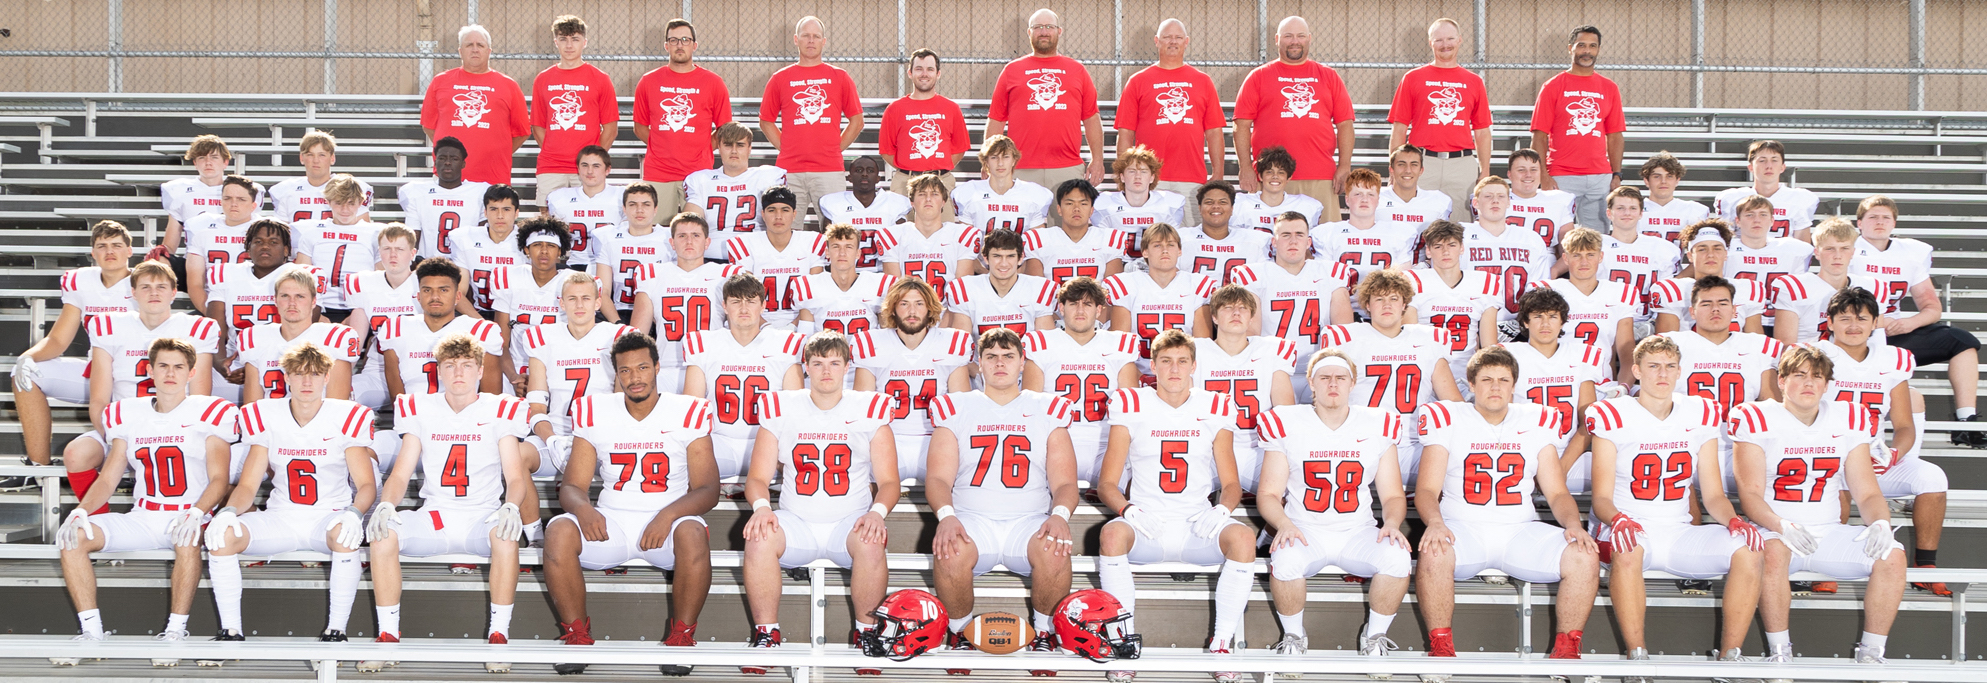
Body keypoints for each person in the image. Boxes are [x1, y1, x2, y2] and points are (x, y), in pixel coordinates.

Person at [1414, 347, 1600, 678]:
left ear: (1514, 384)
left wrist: (1574, 525)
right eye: (1486, 380)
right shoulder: (1450, 417)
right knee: (1434, 549)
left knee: (1583, 554)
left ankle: (1567, 649)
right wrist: (1436, 523)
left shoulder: (1535, 419)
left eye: (1503, 380)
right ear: (1471, 384)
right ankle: (1440, 649)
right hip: (1464, 529)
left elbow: (1556, 491)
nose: (1495, 387)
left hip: (1519, 531)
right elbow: (1427, 490)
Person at [51, 338, 236, 666]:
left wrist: (197, 512)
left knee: (187, 539)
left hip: (189, 514)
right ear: (149, 370)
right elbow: (108, 478)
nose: (170, 373)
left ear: (192, 372)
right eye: (163, 365)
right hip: (143, 514)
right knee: (73, 537)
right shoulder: (127, 413)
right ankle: (92, 634)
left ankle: (175, 632)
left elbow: (220, 479)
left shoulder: (211, 411)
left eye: (179, 367)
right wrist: (82, 510)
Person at [1586, 335, 1763, 673]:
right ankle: (1636, 656)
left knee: (1748, 547)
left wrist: (1733, 521)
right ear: (1636, 371)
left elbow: (1712, 495)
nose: (1662, 374)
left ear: (1680, 371)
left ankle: (1731, 659)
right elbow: (1601, 498)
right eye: (1653, 366)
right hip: (1628, 525)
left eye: (1669, 366)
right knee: (1627, 545)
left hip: (1679, 529)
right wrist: (1619, 520)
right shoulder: (1611, 414)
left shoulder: (1700, 411)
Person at [545, 332, 717, 677]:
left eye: (641, 367)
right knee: (559, 529)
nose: (634, 377)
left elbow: (708, 489)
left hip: (669, 522)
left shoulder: (688, 410)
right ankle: (578, 635)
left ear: (656, 368)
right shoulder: (594, 410)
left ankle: (681, 638)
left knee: (693, 533)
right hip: (613, 522)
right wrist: (584, 509)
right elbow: (573, 486)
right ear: (616, 376)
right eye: (625, 371)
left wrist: (667, 515)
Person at [1730, 346, 1907, 673]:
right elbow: (1750, 495)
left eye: (1817, 376)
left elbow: (1866, 492)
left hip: (1828, 530)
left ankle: (1871, 653)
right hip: (1777, 527)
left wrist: (1882, 522)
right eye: (1799, 375)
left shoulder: (1848, 417)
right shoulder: (1756, 417)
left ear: (1827, 384)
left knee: (1893, 556)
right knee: (1770, 553)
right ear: (1781, 381)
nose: (1808, 383)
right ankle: (1780, 652)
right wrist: (1782, 525)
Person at [364, 334, 533, 673]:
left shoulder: (500, 409)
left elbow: (515, 476)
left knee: (505, 535)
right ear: (438, 370)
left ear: (481, 370)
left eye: (467, 365)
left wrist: (511, 506)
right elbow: (400, 474)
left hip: (481, 518)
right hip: (435, 518)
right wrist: (387, 504)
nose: (459, 373)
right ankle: (388, 635)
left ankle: (498, 636)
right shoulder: (421, 408)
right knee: (383, 535)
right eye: (450, 365)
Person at [1094, 329, 1254, 683]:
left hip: (1196, 523)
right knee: (1110, 534)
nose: (1174, 369)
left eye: (1182, 361)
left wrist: (1222, 511)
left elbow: (1231, 484)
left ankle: (1221, 646)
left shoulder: (1214, 405)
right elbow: (1107, 483)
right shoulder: (1131, 404)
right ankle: (1124, 644)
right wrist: (1128, 510)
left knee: (1243, 538)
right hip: (1146, 523)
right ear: (1152, 366)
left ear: (1194, 366)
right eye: (1165, 361)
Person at [739, 332, 899, 676]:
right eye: (818, 363)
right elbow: (757, 478)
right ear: (805, 368)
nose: (826, 371)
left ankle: (867, 632)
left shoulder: (869, 408)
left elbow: (889, 482)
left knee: (872, 539)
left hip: (849, 522)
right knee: (759, 536)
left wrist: (876, 512)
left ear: (847, 367)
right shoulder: (782, 407)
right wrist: (763, 508)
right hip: (798, 521)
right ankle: (767, 634)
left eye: (834, 363)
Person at [926, 328, 1080, 670]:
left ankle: (1044, 633)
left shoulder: (1047, 407)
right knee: (949, 548)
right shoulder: (956, 406)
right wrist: (947, 516)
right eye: (991, 356)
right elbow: (937, 477)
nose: (1000, 363)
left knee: (1055, 545)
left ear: (1022, 362)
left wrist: (1060, 516)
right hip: (972, 519)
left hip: (1027, 521)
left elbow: (1066, 481)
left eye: (1008, 356)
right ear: (978, 363)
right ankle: (958, 634)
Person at [204, 344, 373, 646]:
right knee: (222, 536)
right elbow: (247, 487)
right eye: (299, 375)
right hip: (281, 518)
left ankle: (336, 631)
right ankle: (230, 631)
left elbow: (366, 485)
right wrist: (228, 512)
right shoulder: (267, 415)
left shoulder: (346, 416)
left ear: (327, 377)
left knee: (347, 537)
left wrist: (354, 513)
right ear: (286, 378)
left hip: (328, 517)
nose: (307, 383)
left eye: (315, 375)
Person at [1257, 349, 1413, 666]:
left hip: (1357, 530)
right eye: (1324, 377)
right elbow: (1269, 493)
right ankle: (1294, 637)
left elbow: (1394, 495)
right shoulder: (1288, 422)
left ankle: (1374, 637)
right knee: (1284, 560)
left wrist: (1393, 524)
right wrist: (1285, 525)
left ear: (1352, 383)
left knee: (1397, 558)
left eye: (1340, 377)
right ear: (1311, 383)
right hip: (1306, 529)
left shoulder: (1376, 424)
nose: (1333, 384)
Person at [1812, 287, 1951, 597]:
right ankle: (1828, 564)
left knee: (1932, 477)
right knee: (1839, 479)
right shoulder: (1815, 356)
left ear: (1875, 322)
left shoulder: (1892, 360)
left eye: (1862, 318)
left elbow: (1904, 425)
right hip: (1824, 454)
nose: (1853, 325)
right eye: (1844, 318)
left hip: (1873, 456)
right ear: (1829, 322)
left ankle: (1926, 566)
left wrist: (1894, 453)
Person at [66, 261, 220, 512]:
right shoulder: (108, 326)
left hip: (178, 426)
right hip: (124, 428)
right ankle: (95, 521)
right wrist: (117, 439)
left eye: (161, 286)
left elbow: (200, 398)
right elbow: (98, 401)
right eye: (145, 287)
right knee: (76, 453)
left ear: (174, 292)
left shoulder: (197, 328)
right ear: (132, 292)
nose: (154, 292)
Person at [1850, 195, 1986, 446]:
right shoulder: (1846, 249)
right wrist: (1871, 322)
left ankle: (1966, 421)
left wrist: (1910, 323)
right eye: (1873, 217)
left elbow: (1932, 307)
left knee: (1961, 340)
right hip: (1855, 333)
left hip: (1896, 331)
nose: (1879, 222)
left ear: (1894, 224)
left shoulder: (1910, 253)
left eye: (1885, 218)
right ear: (1859, 223)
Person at [13, 221, 134, 474]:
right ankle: (38, 468)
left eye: (116, 245)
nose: (109, 251)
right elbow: (58, 340)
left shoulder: (144, 281)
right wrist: (27, 358)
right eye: (102, 246)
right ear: (93, 252)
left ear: (130, 251)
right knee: (24, 374)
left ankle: (133, 467)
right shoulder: (80, 281)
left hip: (137, 374)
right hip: (98, 373)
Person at [1326, 268, 1463, 479]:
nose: (1387, 304)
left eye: (1393, 298)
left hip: (1416, 444)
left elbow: (1453, 403)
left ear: (1404, 304)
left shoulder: (1429, 340)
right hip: (1361, 442)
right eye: (1379, 299)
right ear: (1367, 305)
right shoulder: (1345, 339)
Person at [682, 274, 807, 479]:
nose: (743, 308)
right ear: (724, 305)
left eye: (750, 301)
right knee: (678, 465)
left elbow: (794, 411)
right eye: (735, 301)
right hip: (719, 444)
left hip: (768, 446)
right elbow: (691, 409)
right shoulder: (704, 343)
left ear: (763, 305)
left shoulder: (786, 344)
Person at [1235, 15, 1354, 223]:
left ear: (1309, 38)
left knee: (1322, 241)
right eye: (1288, 36)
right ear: (1277, 39)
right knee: (1274, 240)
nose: (1294, 41)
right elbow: (1241, 125)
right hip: (1273, 175)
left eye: (1300, 36)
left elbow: (1345, 124)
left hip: (1320, 175)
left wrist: (1344, 166)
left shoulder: (1329, 76)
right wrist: (1245, 166)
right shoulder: (1258, 76)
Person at [852, 278, 975, 481]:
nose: (912, 311)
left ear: (930, 309)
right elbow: (862, 410)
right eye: (904, 304)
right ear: (892, 309)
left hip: (936, 442)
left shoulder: (952, 342)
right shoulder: (872, 343)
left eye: (919, 304)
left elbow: (961, 409)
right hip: (889, 442)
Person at [1023, 277, 1142, 484]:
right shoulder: (1041, 343)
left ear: (1098, 310)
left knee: (1128, 487)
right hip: (1056, 444)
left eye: (1087, 304)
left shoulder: (1119, 345)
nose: (1080, 310)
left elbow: (1130, 409)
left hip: (1105, 447)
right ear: (1061, 308)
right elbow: (1030, 407)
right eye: (1073, 304)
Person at [523, 271, 639, 477]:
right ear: (561, 303)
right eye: (572, 299)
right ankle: (514, 510)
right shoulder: (543, 337)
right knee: (517, 456)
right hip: (557, 435)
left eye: (585, 298)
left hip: (603, 437)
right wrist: (552, 440)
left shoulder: (617, 337)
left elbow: (624, 403)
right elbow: (536, 405)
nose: (579, 305)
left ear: (597, 303)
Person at [1232, 213, 1355, 402]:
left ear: (1308, 242)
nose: (1293, 241)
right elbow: (1251, 333)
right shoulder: (1254, 275)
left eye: (1299, 234)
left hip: (1319, 369)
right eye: (1286, 235)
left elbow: (1343, 333)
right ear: (1274, 241)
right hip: (1273, 369)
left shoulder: (1331, 273)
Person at [1116, 19, 1225, 227]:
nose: (1172, 41)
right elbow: (1125, 134)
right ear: (1157, 41)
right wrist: (1126, 175)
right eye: (1167, 37)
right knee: (1151, 238)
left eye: (1177, 37)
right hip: (1149, 178)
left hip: (1192, 179)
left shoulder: (1203, 81)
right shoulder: (1138, 81)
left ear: (1186, 42)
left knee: (1190, 238)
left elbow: (1214, 132)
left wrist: (1218, 173)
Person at [988, 8, 1104, 199]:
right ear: (1029, 32)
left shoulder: (1077, 70)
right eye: (1038, 27)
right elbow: (996, 120)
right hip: (1021, 168)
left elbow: (1091, 118)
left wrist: (1097, 159)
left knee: (1065, 227)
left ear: (1059, 31)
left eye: (1049, 27)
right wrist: (988, 161)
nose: (1043, 31)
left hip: (1066, 168)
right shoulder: (1012, 70)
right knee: (1021, 228)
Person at [760, 16, 863, 226]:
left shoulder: (839, 77)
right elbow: (766, 121)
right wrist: (786, 147)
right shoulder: (780, 78)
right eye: (806, 36)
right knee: (786, 230)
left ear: (823, 41)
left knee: (835, 230)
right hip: (790, 170)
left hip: (829, 170)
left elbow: (857, 120)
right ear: (796, 40)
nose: (811, 40)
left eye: (816, 36)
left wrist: (835, 148)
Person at [1503, 288, 1606, 493]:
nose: (1545, 324)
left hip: (1567, 454)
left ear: (1562, 321)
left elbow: (1589, 421)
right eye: (1537, 316)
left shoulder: (1581, 354)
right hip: (1521, 453)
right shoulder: (1507, 355)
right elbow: (1501, 418)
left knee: (1617, 469)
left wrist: (1562, 466)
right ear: (1525, 321)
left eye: (1552, 316)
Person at [1195, 286, 1297, 492]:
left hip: (1257, 448)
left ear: (1251, 317)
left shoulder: (1270, 350)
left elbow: (1285, 412)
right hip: (1209, 452)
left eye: (1242, 308)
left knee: (1296, 484)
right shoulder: (1195, 351)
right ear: (1214, 317)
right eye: (1228, 307)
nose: (1236, 313)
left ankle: (1272, 526)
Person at [631, 213, 745, 392]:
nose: (689, 241)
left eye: (696, 235)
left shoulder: (726, 275)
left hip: (711, 365)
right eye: (682, 236)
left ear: (707, 242)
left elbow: (739, 326)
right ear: (672, 242)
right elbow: (638, 334)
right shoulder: (653, 274)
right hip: (666, 366)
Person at [1389, 18, 1494, 211]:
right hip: (1422, 163)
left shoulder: (1474, 82)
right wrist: (1395, 167)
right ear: (1430, 43)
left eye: (1450, 39)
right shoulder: (1412, 78)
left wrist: (1484, 170)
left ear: (1460, 40)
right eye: (1439, 40)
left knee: (1459, 226)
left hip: (1461, 165)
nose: (1445, 45)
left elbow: (1482, 132)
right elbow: (1399, 128)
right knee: (1418, 219)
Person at [632, 18, 731, 218]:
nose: (679, 45)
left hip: (698, 173)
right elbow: (640, 126)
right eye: (674, 40)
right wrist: (662, 145)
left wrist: (701, 148)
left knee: (697, 232)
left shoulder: (713, 82)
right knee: (655, 232)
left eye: (685, 40)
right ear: (666, 45)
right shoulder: (648, 81)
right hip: (658, 173)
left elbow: (724, 128)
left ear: (694, 45)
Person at [1529, 26, 1625, 230]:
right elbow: (1539, 136)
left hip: (1600, 177)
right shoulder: (1553, 86)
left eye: (1593, 46)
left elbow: (1615, 135)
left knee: (1597, 237)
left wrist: (1616, 174)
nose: (1587, 51)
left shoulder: (1609, 88)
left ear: (1598, 50)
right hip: (1562, 176)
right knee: (1558, 236)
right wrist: (1543, 175)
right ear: (1571, 48)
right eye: (1581, 45)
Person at [378, 258, 504, 399]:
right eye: (427, 290)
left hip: (466, 416)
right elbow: (398, 401)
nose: (435, 297)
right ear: (418, 296)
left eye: (443, 290)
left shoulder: (481, 331)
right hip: (416, 416)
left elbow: (491, 399)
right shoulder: (396, 329)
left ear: (457, 297)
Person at [1405, 220, 1504, 400]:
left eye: (1451, 245)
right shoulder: (1412, 281)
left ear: (1461, 248)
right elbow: (1411, 340)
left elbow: (1489, 345)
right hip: (1427, 371)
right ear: (1428, 251)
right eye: (1438, 246)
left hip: (1467, 372)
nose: (1445, 251)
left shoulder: (1484, 283)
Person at [1104, 223, 1218, 377]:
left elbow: (1200, 347)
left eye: (1170, 245)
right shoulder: (1126, 285)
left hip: (1183, 376)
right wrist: (1139, 380)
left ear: (1179, 251)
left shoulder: (1196, 286)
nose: (1165, 250)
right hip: (1138, 375)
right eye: (1157, 245)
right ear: (1144, 251)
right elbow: (1120, 348)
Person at [420, 25, 529, 185]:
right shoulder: (440, 82)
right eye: (469, 45)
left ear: (489, 51)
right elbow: (429, 126)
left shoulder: (508, 85)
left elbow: (522, 132)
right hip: (449, 177)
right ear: (460, 51)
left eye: (480, 45)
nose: (475, 49)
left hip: (493, 178)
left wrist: (497, 153)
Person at [233, 268, 358, 404]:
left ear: (313, 301)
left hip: (321, 420)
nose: (292, 303)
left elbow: (336, 406)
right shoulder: (256, 337)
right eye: (285, 296)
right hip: (270, 420)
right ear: (275, 300)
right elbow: (252, 407)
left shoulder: (334, 338)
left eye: (300, 296)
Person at [530, 15, 618, 197]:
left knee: (589, 218)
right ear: (556, 42)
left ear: (584, 42)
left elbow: (610, 128)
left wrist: (592, 160)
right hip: (551, 166)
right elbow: (538, 126)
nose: (569, 45)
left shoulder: (600, 79)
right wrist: (554, 150)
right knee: (549, 220)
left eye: (575, 39)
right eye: (563, 39)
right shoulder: (543, 79)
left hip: (586, 169)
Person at [489, 217, 576, 388]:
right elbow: (502, 342)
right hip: (515, 367)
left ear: (560, 251)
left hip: (558, 368)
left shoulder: (572, 282)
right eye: (537, 245)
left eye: (551, 246)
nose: (544, 251)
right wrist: (514, 378)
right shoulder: (510, 278)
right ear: (526, 249)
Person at [345, 224, 423, 409]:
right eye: (387, 249)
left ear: (412, 253)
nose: (393, 255)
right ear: (379, 252)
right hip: (377, 373)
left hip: (418, 371)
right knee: (340, 392)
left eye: (399, 249)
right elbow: (356, 340)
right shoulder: (363, 283)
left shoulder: (425, 283)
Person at [879, 48, 967, 214]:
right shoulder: (895, 109)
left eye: (930, 69)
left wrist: (937, 168)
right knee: (903, 236)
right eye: (919, 69)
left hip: (941, 182)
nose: (924, 74)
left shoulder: (951, 108)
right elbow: (887, 150)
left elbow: (959, 148)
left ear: (938, 73)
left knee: (943, 236)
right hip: (905, 183)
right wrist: (910, 168)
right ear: (910, 73)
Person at [726, 186, 826, 329]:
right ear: (763, 214)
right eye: (772, 210)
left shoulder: (812, 242)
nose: (778, 216)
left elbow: (815, 297)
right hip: (756, 322)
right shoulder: (746, 244)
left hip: (803, 321)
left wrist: (793, 327)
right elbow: (745, 299)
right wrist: (765, 327)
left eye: (785, 210)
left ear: (794, 214)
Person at [1772, 217, 1882, 345]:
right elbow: (1786, 348)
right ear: (1817, 252)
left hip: (1852, 362)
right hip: (1807, 361)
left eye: (1844, 248)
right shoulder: (1794, 288)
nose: (1837, 255)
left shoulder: (1872, 287)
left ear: (1853, 252)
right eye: (1830, 249)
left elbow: (1876, 344)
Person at [1313, 168, 1416, 304]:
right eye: (1358, 194)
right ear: (1348, 200)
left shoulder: (1396, 233)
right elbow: (1322, 282)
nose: (1365, 199)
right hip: (1341, 306)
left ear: (1378, 201)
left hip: (1382, 307)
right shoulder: (1328, 233)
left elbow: (1404, 282)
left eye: (1370, 194)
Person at [687, 122, 789, 256]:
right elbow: (690, 224)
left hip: (755, 254)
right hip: (711, 255)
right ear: (719, 147)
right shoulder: (701, 179)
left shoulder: (768, 176)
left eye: (740, 145)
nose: (734, 151)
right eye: (728, 145)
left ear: (749, 148)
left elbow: (780, 219)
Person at [290, 174, 383, 323]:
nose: (345, 209)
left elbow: (382, 279)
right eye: (339, 203)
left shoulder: (375, 234)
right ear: (328, 202)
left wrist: (358, 316)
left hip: (360, 309)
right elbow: (300, 277)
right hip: (319, 307)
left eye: (351, 203)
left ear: (361, 203)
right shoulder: (313, 232)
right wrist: (317, 315)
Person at [204, 220, 323, 334]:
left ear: (286, 250)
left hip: (287, 351)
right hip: (238, 352)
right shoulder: (226, 274)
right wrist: (221, 356)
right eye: (258, 242)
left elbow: (304, 331)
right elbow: (216, 331)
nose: (265, 247)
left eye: (273, 242)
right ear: (249, 249)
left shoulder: (308, 275)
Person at [1652, 220, 1769, 335]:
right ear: (1690, 256)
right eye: (1702, 249)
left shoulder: (1747, 289)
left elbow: (1755, 344)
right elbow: (1666, 346)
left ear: (1725, 254)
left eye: (1717, 248)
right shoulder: (1673, 290)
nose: (1710, 255)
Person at [1550, 227, 1638, 377]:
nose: (1584, 262)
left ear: (1600, 256)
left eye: (1590, 255)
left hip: (1603, 381)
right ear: (1565, 259)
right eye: (1577, 255)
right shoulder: (1548, 292)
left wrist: (1623, 387)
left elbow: (1626, 351)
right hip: (1560, 379)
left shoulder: (1619, 293)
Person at [1460, 176, 1553, 318]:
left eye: (1501, 196)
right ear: (1475, 203)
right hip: (1471, 322)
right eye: (1488, 196)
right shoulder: (1460, 236)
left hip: (1519, 324)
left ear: (1509, 202)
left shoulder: (1530, 240)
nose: (1495, 200)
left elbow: (1539, 290)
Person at [881, 174, 985, 296]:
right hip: (909, 311)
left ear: (943, 202)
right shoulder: (894, 236)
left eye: (935, 194)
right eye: (922, 194)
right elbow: (895, 293)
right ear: (912, 202)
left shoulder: (962, 236)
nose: (928, 199)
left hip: (948, 311)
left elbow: (962, 295)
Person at [161, 135, 260, 261]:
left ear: (225, 162)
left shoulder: (243, 191)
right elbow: (170, 243)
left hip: (236, 255)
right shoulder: (179, 190)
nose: (208, 162)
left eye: (214, 157)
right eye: (202, 157)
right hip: (196, 257)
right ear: (195, 163)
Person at [945, 229, 1058, 336]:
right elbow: (963, 346)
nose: (1004, 264)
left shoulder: (1039, 289)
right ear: (985, 258)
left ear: (1020, 258)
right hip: (981, 357)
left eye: (1010, 256)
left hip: (1026, 357)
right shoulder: (965, 289)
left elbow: (1044, 349)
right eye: (997, 256)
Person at [1598, 186, 1683, 325]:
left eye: (1633, 208)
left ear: (1641, 213)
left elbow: (1666, 296)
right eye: (1620, 208)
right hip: (1605, 322)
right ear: (1609, 213)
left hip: (1647, 322)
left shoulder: (1661, 248)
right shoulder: (1596, 245)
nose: (1627, 213)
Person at [593, 182, 677, 322]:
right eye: (633, 204)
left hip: (657, 312)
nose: (639, 210)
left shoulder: (669, 238)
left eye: (646, 204)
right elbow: (604, 292)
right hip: (620, 310)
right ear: (624, 209)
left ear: (655, 209)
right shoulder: (608, 238)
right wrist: (618, 324)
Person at [794, 223, 896, 337]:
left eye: (848, 247)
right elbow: (804, 340)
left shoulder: (878, 285)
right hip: (826, 354)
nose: (842, 253)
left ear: (858, 253)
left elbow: (887, 336)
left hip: (866, 354)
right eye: (836, 246)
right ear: (827, 252)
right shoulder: (810, 287)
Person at [398, 137, 491, 260]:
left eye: (454, 159)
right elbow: (413, 236)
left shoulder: (480, 192)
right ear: (435, 162)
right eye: (442, 158)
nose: (447, 162)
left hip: (466, 264)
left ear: (463, 164)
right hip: (429, 263)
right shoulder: (417, 191)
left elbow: (484, 234)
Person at [184, 175, 264, 319]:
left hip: (256, 303)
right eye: (228, 198)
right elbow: (195, 284)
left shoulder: (268, 231)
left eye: (241, 199)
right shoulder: (202, 229)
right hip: (213, 303)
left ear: (254, 205)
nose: (233, 204)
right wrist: (213, 316)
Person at [1023, 179, 1129, 286]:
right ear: (1059, 209)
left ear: (1091, 210)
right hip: (1054, 303)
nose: (1076, 209)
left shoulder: (1108, 239)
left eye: (1083, 204)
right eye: (1069, 203)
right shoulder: (1039, 240)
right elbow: (1035, 292)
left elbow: (1112, 294)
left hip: (1096, 303)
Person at [1094, 145, 1188, 263]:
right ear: (1122, 177)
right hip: (1118, 266)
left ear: (1152, 178)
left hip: (1155, 266)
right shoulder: (1104, 203)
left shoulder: (1169, 203)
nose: (1138, 176)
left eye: (1143, 171)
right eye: (1132, 171)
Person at [819, 156, 911, 271]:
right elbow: (826, 248)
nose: (864, 174)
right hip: (846, 275)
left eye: (870, 171)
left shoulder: (895, 203)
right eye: (859, 170)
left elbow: (903, 247)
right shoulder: (834, 204)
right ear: (849, 178)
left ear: (878, 178)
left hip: (883, 274)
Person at [1715, 141, 1818, 242]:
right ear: (1751, 167)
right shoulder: (1732, 198)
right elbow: (1724, 242)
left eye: (1774, 160)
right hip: (1744, 258)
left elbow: (1803, 247)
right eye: (1762, 160)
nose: (1769, 166)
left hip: (1783, 258)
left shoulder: (1799, 198)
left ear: (1783, 167)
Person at [544, 145, 623, 272]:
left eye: (596, 166)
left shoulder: (622, 196)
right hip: (574, 264)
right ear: (578, 169)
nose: (589, 171)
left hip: (611, 265)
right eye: (585, 165)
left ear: (607, 170)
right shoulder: (560, 198)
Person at [1726, 194, 1815, 309]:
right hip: (1738, 318)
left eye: (1763, 215)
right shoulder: (1725, 249)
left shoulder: (1793, 249)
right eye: (1749, 215)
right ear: (1737, 221)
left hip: (1778, 318)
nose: (1757, 220)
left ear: (1772, 220)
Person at [448, 184, 525, 315]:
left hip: (518, 315)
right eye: (494, 209)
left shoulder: (528, 241)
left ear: (516, 213)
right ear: (485, 212)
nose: (500, 216)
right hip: (480, 312)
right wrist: (481, 324)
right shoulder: (466, 238)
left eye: (506, 209)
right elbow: (459, 293)